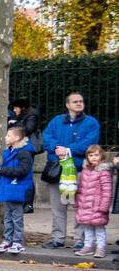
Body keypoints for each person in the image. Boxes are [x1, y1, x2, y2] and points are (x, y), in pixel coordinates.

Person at [40, 91, 100, 249]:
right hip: (57, 170)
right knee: (57, 207)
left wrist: (67, 149)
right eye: (75, 102)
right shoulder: (56, 121)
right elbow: (46, 138)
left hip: (78, 170)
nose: (79, 103)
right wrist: (56, 148)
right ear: (67, 105)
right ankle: (57, 238)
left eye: (81, 101)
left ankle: (80, 240)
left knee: (79, 206)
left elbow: (89, 143)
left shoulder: (91, 123)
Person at [0, 125, 34, 254]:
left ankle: (17, 242)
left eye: (8, 135)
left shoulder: (24, 153)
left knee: (16, 217)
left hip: (18, 189)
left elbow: (23, 170)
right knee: (8, 217)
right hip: (9, 188)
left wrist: (1, 170)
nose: (6, 137)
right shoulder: (9, 151)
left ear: (16, 138)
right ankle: (7, 240)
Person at [74, 145, 112, 259]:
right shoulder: (84, 171)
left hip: (97, 206)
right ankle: (88, 246)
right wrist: (77, 203)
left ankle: (101, 248)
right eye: (91, 155)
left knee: (99, 228)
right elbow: (80, 189)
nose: (93, 157)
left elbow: (107, 191)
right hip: (85, 205)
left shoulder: (104, 171)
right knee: (87, 228)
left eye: (96, 155)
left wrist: (104, 206)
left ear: (102, 156)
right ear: (87, 157)